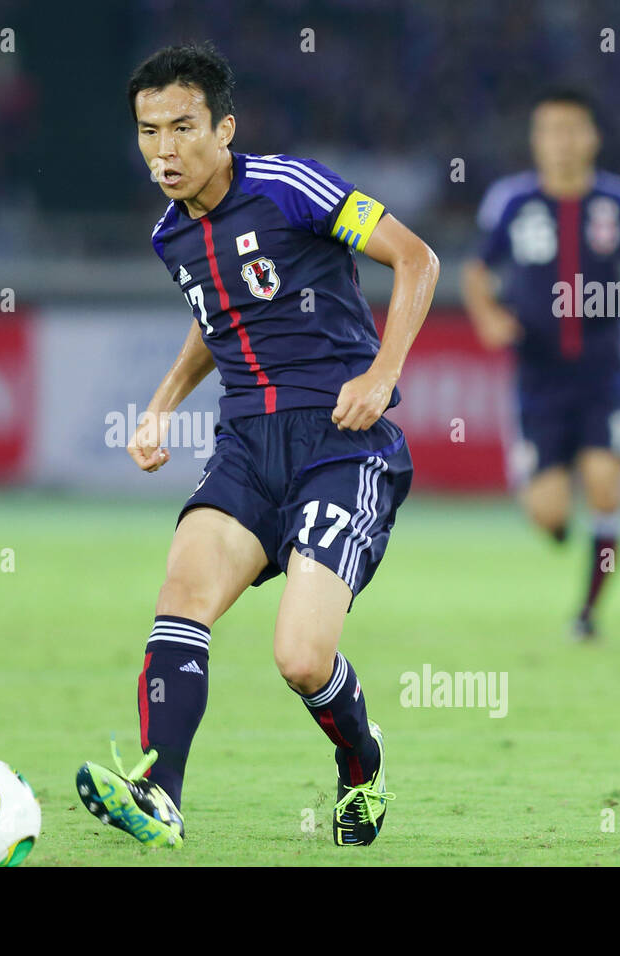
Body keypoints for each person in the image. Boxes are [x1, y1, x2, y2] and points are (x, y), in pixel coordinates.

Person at [75, 42, 439, 848]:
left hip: (343, 442)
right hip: (245, 444)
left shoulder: (289, 188)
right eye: (147, 131)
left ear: (223, 127)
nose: (163, 150)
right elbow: (217, 319)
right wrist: (161, 406)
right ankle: (161, 792)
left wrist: (383, 371)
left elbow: (417, 259)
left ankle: (362, 764)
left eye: (182, 127)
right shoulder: (171, 235)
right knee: (183, 594)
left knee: (302, 659)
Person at [462, 89, 620, 640]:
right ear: (536, 140)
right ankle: (559, 526)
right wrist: (489, 318)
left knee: (606, 485)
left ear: (592, 137)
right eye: (549, 131)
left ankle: (587, 613)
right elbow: (477, 273)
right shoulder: (512, 201)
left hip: (605, 374)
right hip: (538, 378)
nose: (561, 142)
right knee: (548, 513)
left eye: (572, 129)